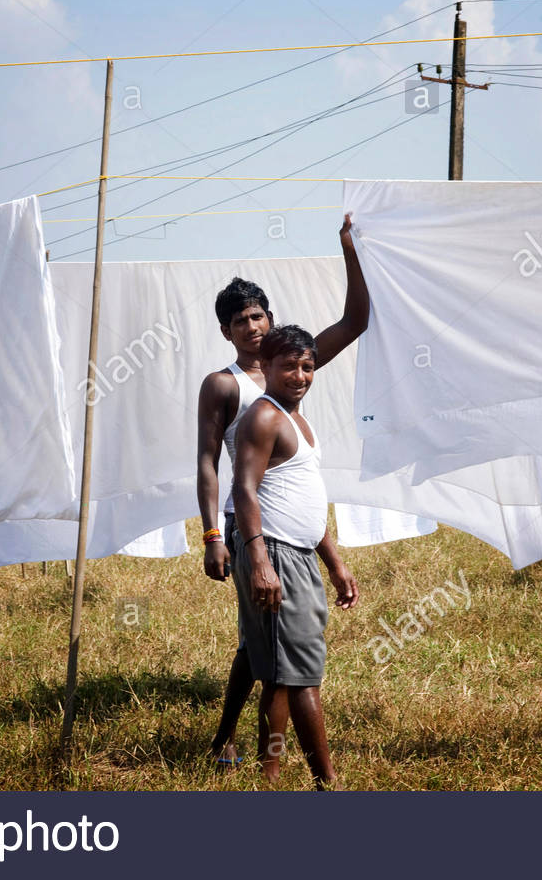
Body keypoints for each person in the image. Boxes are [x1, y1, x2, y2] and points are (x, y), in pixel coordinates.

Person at [195, 215, 369, 770]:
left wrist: (351, 246)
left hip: (288, 529)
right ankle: (252, 756)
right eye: (239, 320)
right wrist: (212, 534)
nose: (250, 325)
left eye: (257, 315)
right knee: (272, 655)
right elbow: (209, 463)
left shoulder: (290, 369)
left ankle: (234, 750)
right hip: (252, 527)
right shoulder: (227, 384)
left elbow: (356, 320)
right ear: (226, 331)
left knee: (259, 650)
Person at [231, 324, 358, 789]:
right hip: (277, 555)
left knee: (281, 674)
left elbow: (302, 499)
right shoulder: (264, 417)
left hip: (300, 553)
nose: (300, 375)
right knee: (303, 676)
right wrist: (260, 561)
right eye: (288, 365)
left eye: (307, 366)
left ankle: (270, 775)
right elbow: (244, 490)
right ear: (264, 365)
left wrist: (335, 562)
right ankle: (328, 783)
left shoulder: (297, 418)